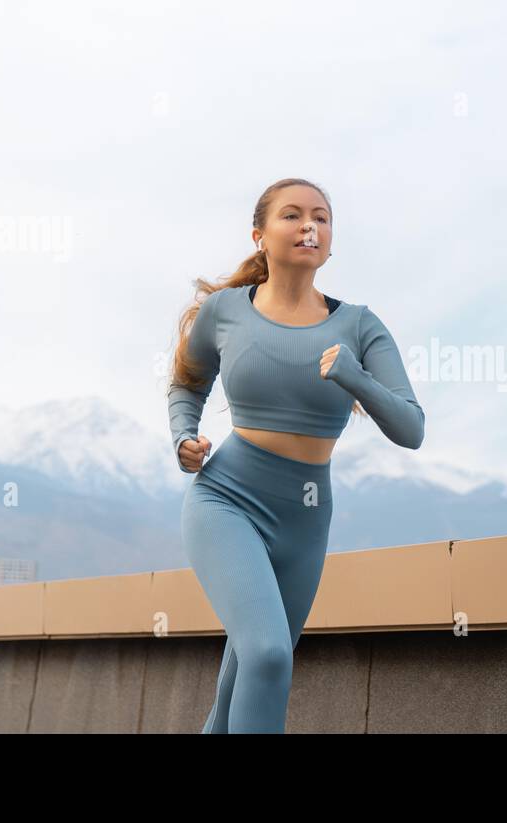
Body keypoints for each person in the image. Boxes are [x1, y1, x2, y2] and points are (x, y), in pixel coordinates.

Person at [166, 178, 425, 733]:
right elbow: (187, 384)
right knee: (268, 656)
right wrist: (184, 438)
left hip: (305, 517)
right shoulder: (225, 312)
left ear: (330, 241)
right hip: (227, 499)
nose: (310, 226)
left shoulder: (358, 325)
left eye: (322, 218)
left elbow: (411, 428)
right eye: (293, 215)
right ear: (260, 235)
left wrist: (356, 377)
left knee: (242, 680)